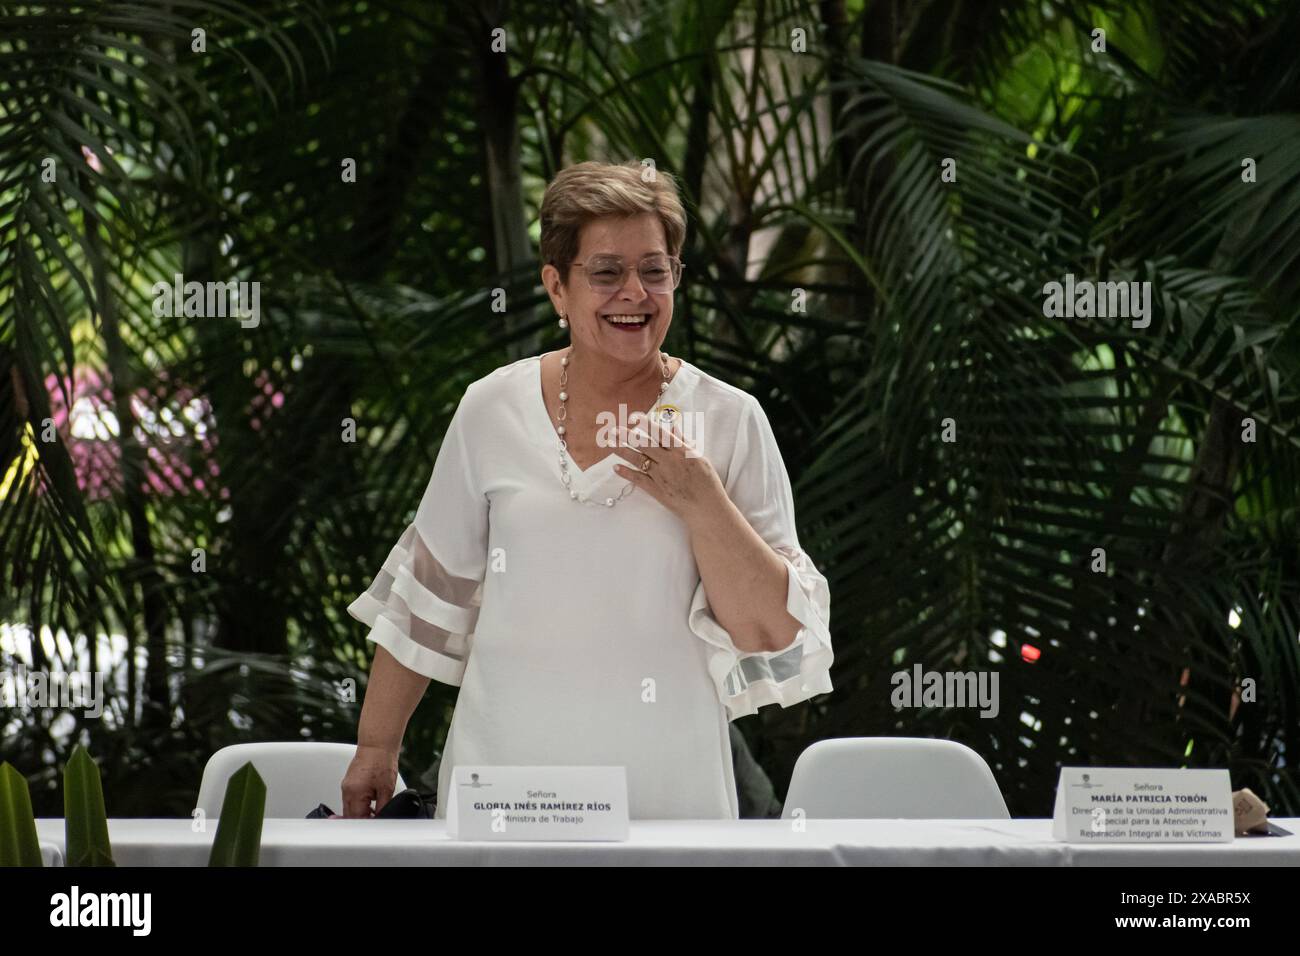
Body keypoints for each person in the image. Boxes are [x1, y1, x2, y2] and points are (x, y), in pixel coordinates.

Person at [341, 159, 833, 820]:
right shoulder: (490, 409)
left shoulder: (730, 420)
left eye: (655, 270)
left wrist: (702, 501)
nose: (635, 293)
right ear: (557, 287)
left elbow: (771, 631)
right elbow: (430, 595)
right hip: (505, 794)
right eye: (606, 272)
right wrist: (378, 746)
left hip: (669, 795)